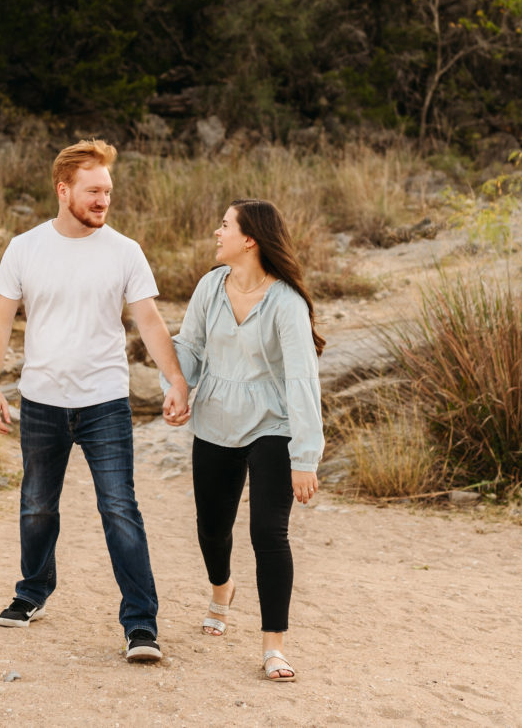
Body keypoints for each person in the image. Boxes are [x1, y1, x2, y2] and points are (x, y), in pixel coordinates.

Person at [0, 138, 191, 663]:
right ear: (63, 189)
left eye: (108, 192)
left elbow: (149, 321)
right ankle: (32, 592)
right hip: (42, 402)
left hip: (104, 402)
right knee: (36, 506)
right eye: (93, 191)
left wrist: (175, 382)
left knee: (120, 510)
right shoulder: (24, 247)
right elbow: (2, 319)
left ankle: (141, 626)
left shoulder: (125, 251)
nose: (103, 201)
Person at [171, 198, 325, 682]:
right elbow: (190, 345)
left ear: (250, 238)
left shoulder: (286, 303)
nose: (217, 233)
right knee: (212, 527)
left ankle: (273, 647)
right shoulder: (210, 287)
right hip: (215, 418)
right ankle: (222, 590)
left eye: (224, 226)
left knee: (267, 532)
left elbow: (303, 381)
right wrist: (177, 389)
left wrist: (305, 456)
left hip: (272, 424)